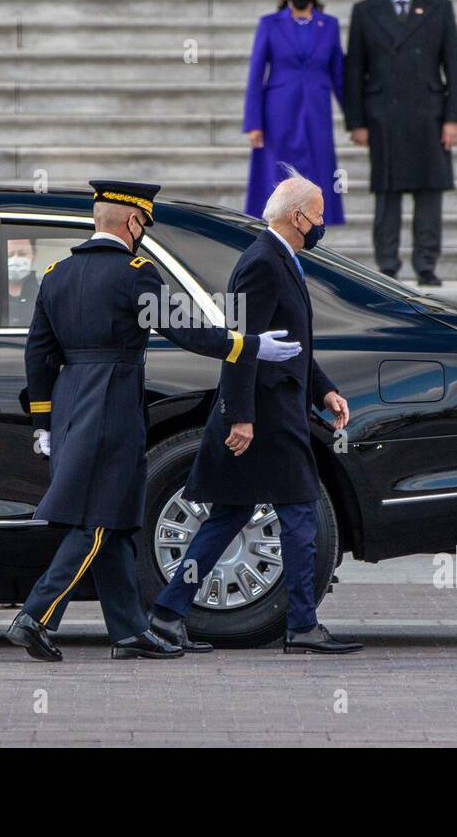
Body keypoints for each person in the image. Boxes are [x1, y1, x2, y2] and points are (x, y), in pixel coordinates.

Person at [5, 180, 302, 662]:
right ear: (133, 222)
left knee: (118, 523)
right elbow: (184, 328)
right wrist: (248, 345)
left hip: (71, 402)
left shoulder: (56, 273)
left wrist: (43, 419)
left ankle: (129, 631)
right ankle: (36, 616)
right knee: (97, 520)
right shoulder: (136, 273)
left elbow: (38, 353)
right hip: (112, 403)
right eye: (144, 223)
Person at [148, 170, 363, 654]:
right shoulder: (263, 263)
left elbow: (290, 344)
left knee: (228, 516)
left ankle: (166, 613)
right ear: (298, 216)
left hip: (273, 410)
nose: (323, 224)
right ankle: (303, 625)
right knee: (301, 512)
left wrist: (324, 391)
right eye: (320, 215)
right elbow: (243, 347)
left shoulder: (279, 259)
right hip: (265, 419)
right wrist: (241, 415)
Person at [344, 0, 457, 285]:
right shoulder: (365, 11)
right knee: (387, 195)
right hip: (384, 116)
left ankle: (426, 264)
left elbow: (453, 65)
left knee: (429, 193)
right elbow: (355, 70)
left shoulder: (439, 8)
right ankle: (387, 264)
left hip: (429, 115)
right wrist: (357, 122)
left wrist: (454, 118)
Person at [243, 0, 345, 225]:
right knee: (277, 171)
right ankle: (277, 227)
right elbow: (256, 75)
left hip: (316, 110)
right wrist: (254, 123)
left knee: (317, 171)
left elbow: (339, 75)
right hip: (279, 111)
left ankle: (314, 227)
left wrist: (355, 121)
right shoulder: (269, 24)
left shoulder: (329, 25)